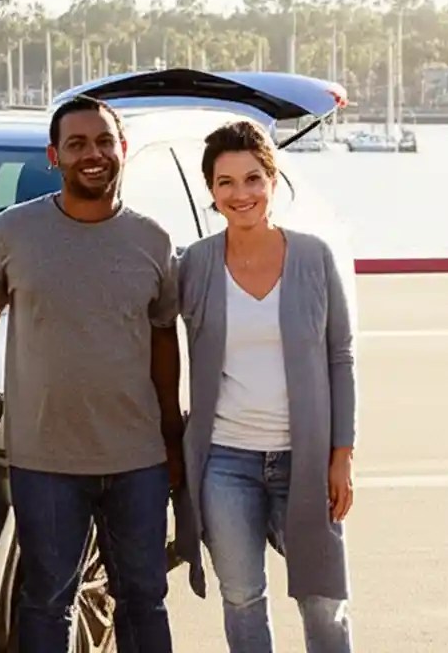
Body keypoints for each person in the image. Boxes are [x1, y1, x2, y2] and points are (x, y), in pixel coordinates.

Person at [0, 95, 184, 652]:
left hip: (138, 460)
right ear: (54, 156)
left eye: (103, 142)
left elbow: (162, 337)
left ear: (122, 150)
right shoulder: (13, 232)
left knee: (144, 596)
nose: (92, 154)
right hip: (46, 460)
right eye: (76, 144)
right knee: (48, 599)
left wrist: (172, 435)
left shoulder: (153, 240)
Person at [172, 118, 357, 653]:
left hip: (305, 459)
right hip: (225, 461)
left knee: (324, 601)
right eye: (225, 182)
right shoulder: (196, 264)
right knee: (243, 599)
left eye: (253, 179)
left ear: (273, 181)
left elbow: (340, 355)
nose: (241, 194)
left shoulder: (314, 257)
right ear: (210, 191)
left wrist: (341, 452)